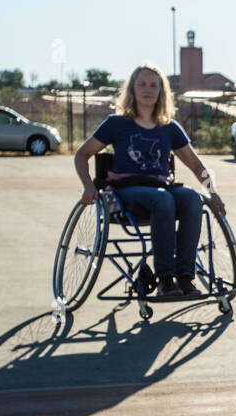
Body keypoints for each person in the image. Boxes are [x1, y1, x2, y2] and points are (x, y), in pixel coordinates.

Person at [74, 63, 226, 299]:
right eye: (142, 84)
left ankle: (186, 277)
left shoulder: (169, 128)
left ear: (162, 91)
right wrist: (88, 186)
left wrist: (212, 192)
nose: (148, 89)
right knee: (163, 199)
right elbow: (82, 154)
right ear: (132, 89)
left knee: (192, 199)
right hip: (127, 192)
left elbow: (196, 165)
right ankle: (165, 279)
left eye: (154, 85)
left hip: (161, 188)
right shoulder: (116, 123)